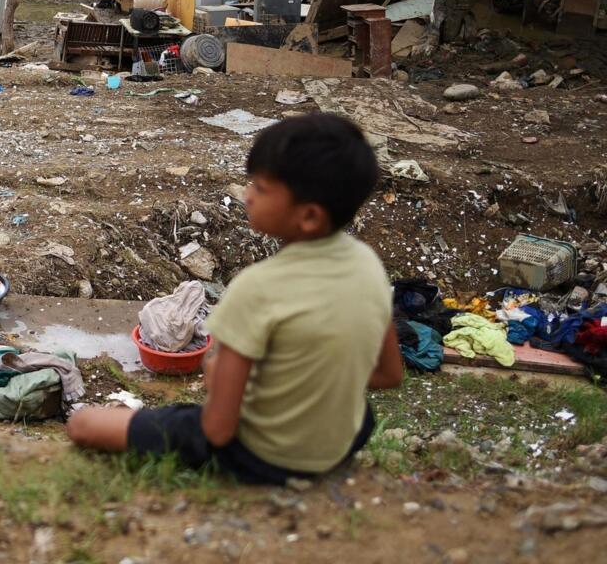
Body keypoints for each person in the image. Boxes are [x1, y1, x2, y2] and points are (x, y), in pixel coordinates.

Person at [67, 113, 403, 485]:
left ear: (308, 216)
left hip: (261, 454)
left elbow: (218, 430)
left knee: (85, 423)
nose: (247, 195)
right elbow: (389, 374)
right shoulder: (369, 266)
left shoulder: (258, 287)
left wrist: (215, 373)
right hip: (341, 441)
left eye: (260, 187)